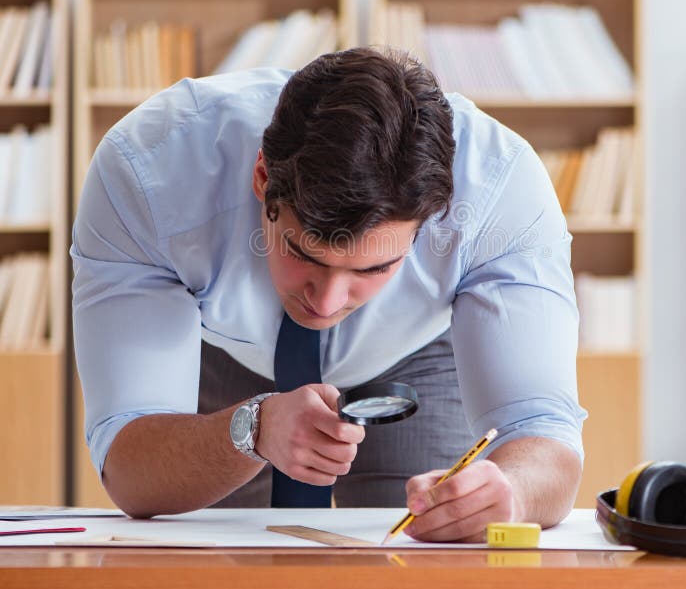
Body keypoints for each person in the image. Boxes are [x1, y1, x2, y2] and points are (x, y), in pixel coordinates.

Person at [71, 47, 586, 542]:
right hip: (222, 346)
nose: (327, 302)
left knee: (429, 550)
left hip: (416, 351)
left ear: (434, 219)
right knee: (217, 560)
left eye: (375, 266)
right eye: (303, 252)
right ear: (262, 177)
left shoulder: (502, 192)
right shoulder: (147, 174)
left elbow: (541, 430)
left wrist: (511, 492)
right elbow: (128, 464)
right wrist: (251, 429)